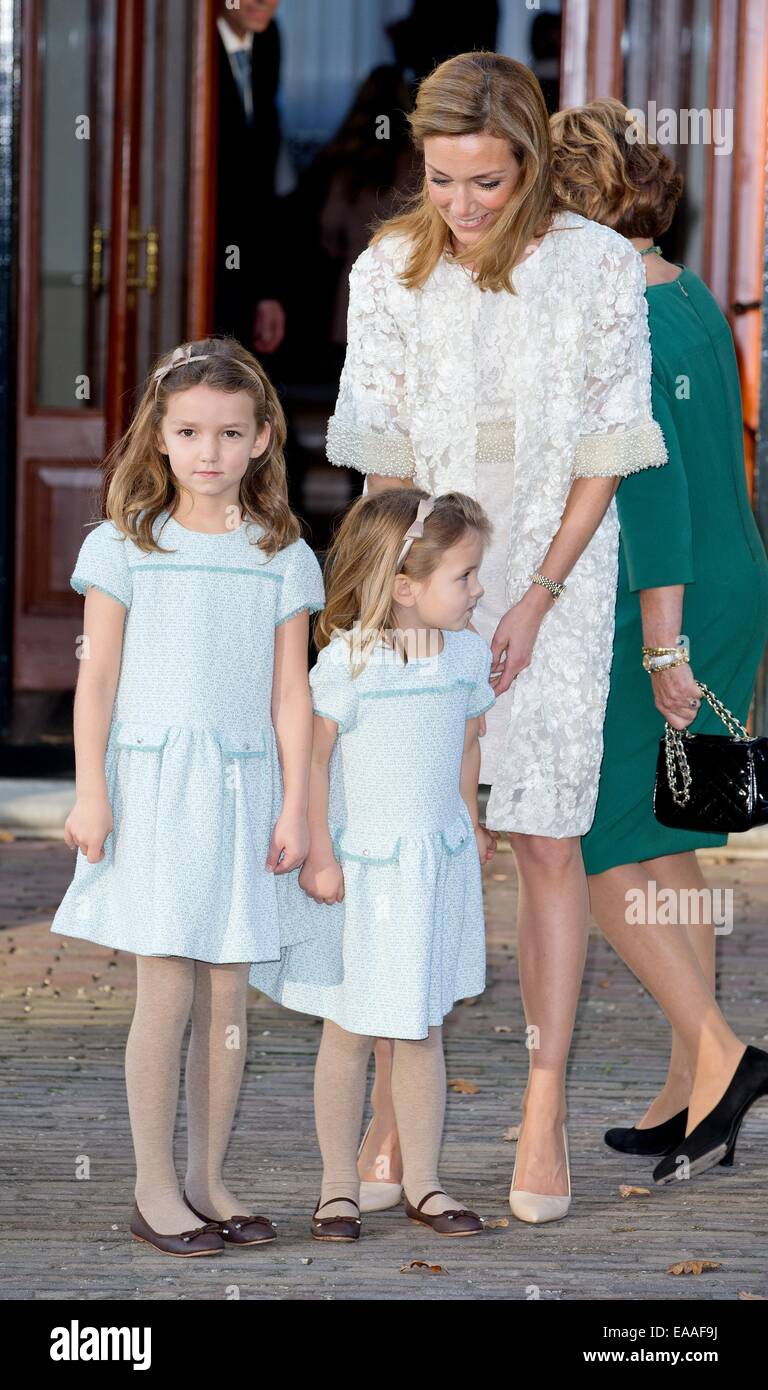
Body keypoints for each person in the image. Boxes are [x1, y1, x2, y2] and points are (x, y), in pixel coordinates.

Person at [324, 52, 669, 1223]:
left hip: (554, 580)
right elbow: (385, 463)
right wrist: (418, 602)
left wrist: (533, 599)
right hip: (424, 588)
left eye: (487, 181)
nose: (462, 204)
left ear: (529, 164)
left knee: (544, 838)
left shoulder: (599, 264)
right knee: (417, 835)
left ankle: (543, 1099)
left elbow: (608, 450)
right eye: (442, 179)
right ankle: (393, 1099)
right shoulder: (390, 268)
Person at [50, 336, 327, 1256]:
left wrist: (295, 807)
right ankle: (153, 1187)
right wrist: (91, 792)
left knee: (227, 999)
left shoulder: (281, 554)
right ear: (160, 437)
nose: (210, 451)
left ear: (261, 439)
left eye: (230, 433)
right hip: (156, 790)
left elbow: (292, 694)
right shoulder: (124, 546)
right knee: (165, 989)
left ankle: (209, 1178)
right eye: (190, 432)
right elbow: (96, 680)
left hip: (244, 790)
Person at [550, 98, 768, 1183]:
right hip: (731, 578)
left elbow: (652, 485)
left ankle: (724, 1057)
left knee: (597, 838)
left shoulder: (616, 316)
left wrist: (660, 645)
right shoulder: (683, 292)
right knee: (670, 828)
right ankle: (692, 1086)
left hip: (666, 593)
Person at [249, 489, 497, 1239]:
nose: (478, 589)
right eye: (465, 576)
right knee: (350, 1027)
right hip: (365, 871)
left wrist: (471, 820)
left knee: (420, 1029)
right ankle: (338, 1185)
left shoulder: (466, 656)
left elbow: (467, 744)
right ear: (405, 587)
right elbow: (315, 761)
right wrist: (320, 854)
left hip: (432, 866)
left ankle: (424, 1182)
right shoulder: (351, 662)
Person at [213, 0, 287, 355]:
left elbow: (259, 183)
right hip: (196, 258)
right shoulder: (193, 39)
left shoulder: (269, 38)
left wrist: (267, 291)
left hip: (246, 261)